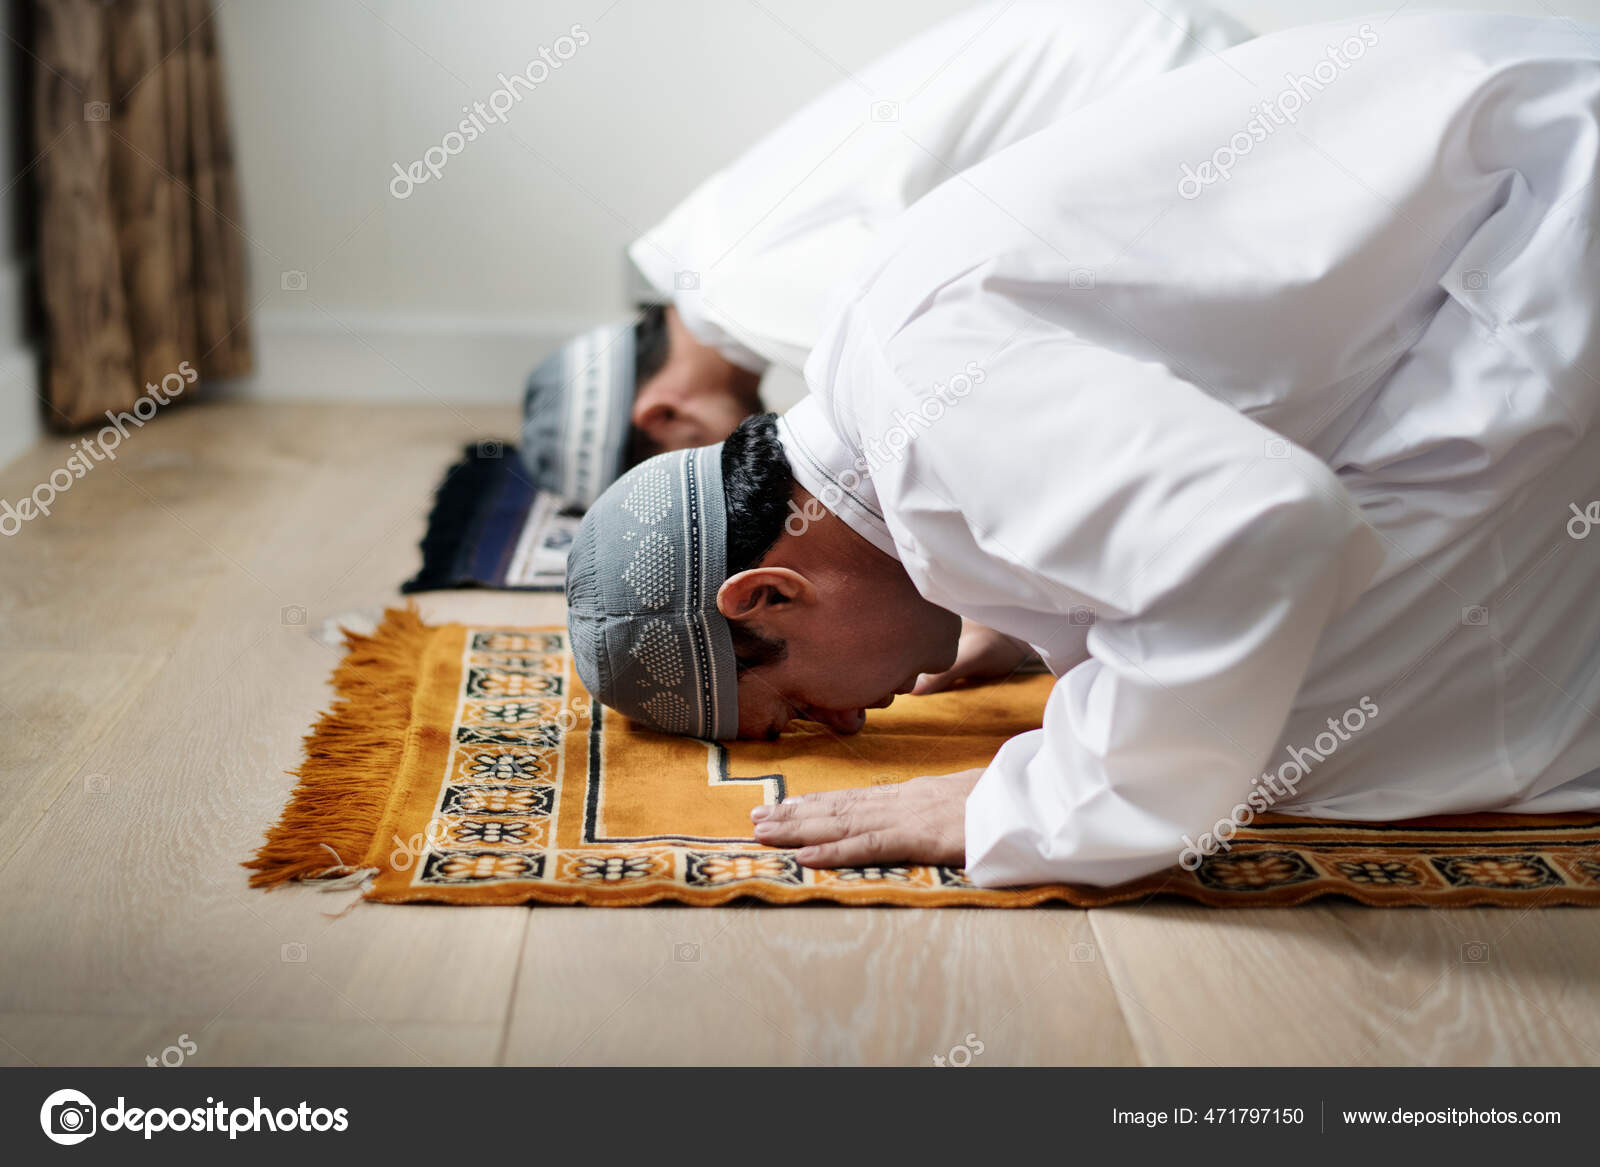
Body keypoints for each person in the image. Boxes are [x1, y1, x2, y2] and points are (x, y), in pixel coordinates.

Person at [566, 9, 1600, 888]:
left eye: (796, 706)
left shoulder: (924, 408)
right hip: (1519, 179)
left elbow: (1263, 532)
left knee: (1294, 729)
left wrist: (1039, 802)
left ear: (767, 594)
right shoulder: (867, 372)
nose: (844, 726)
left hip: (1552, 188)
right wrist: (1031, 614)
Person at [518, 0, 1253, 508]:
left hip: (1169, 91)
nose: (733, 475)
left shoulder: (743, 287)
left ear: (661, 415)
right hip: (1158, 49)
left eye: (696, 468)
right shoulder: (710, 243)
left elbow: (958, 383)